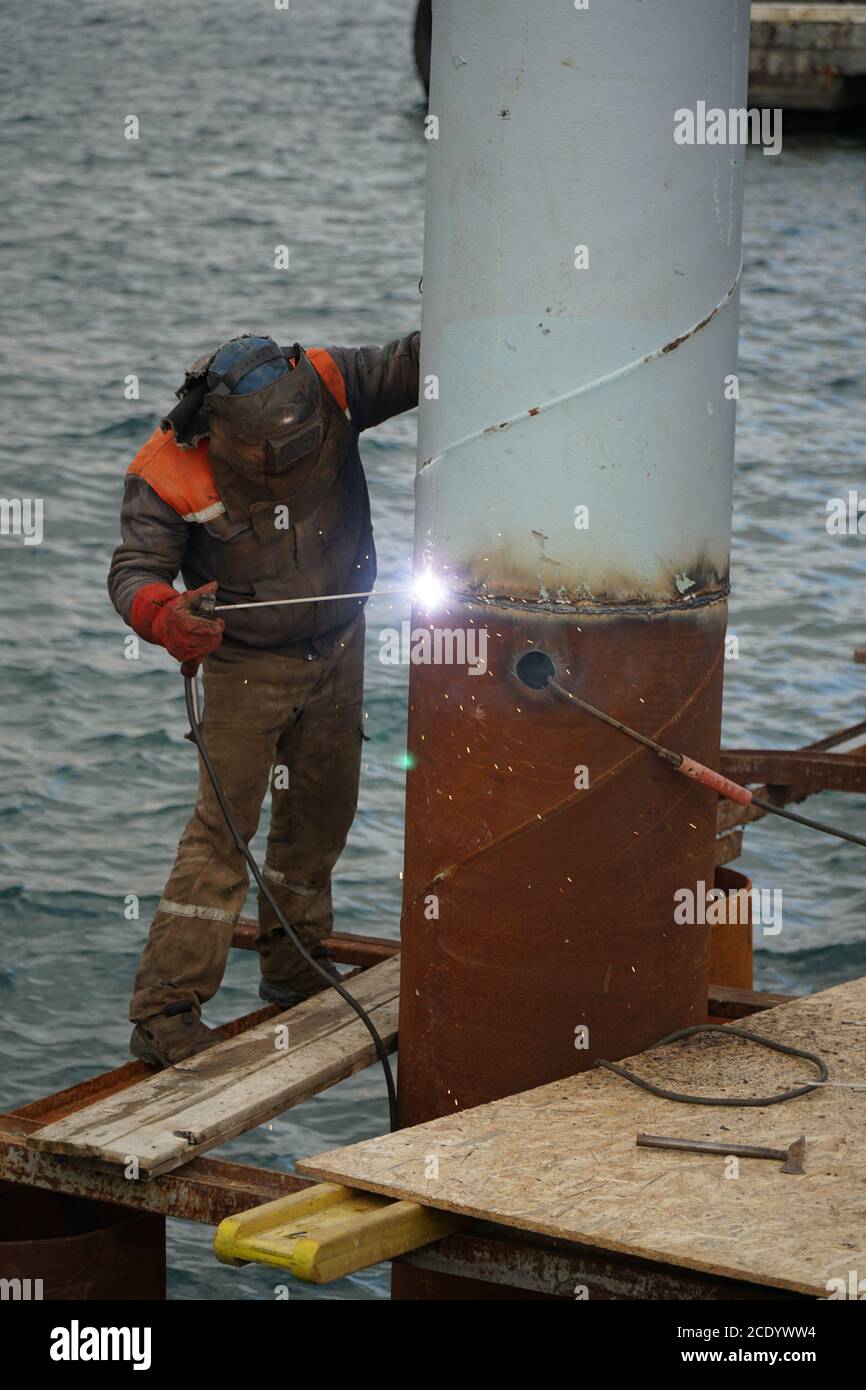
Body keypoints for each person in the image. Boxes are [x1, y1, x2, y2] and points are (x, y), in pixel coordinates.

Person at [107, 332, 420, 1066]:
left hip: (340, 646)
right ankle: (165, 1013)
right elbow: (134, 568)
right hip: (248, 668)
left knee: (320, 816)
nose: (287, 460)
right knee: (223, 835)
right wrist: (163, 616)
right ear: (218, 433)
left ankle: (293, 969)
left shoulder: (335, 380)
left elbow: (420, 360)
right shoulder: (168, 471)